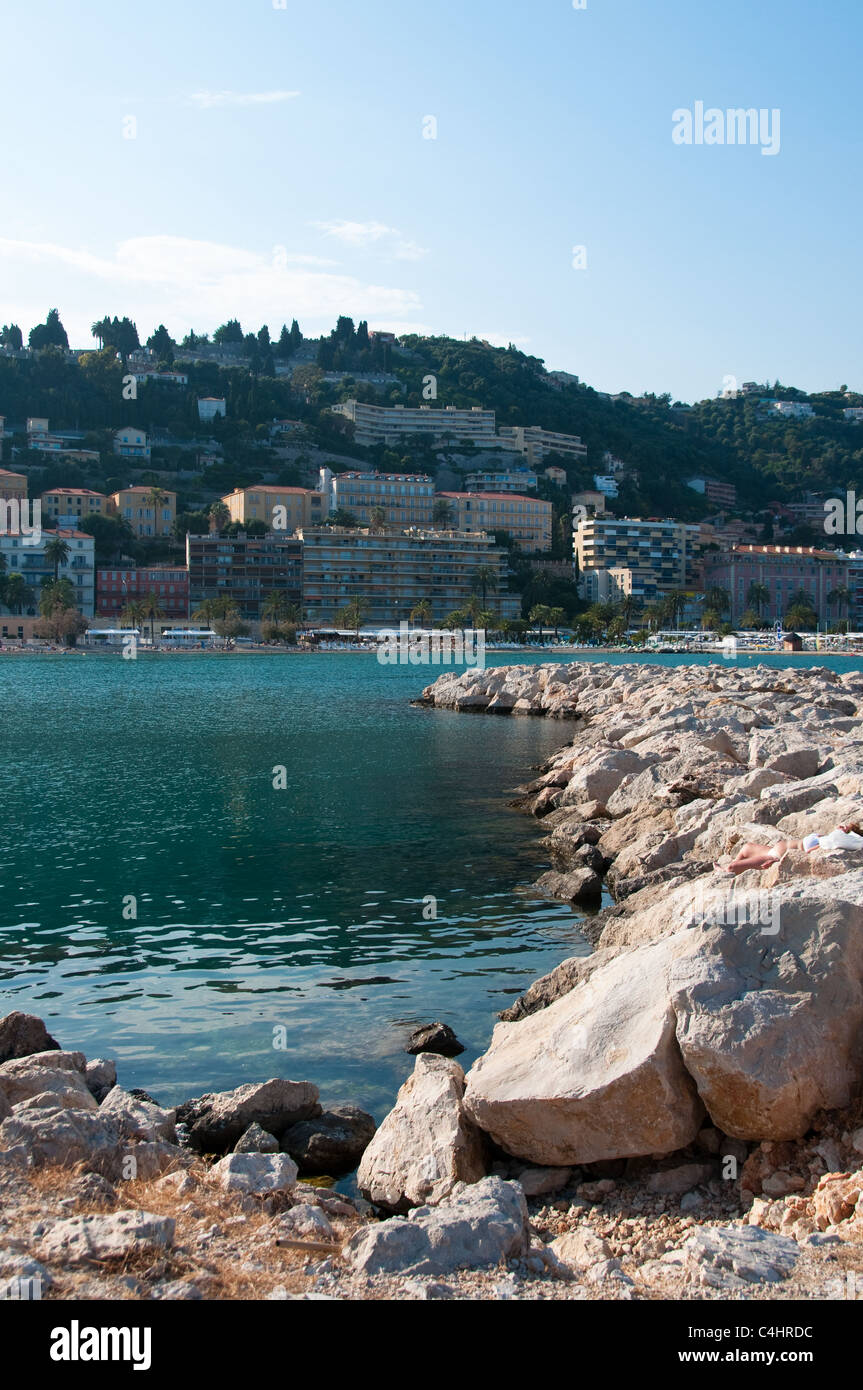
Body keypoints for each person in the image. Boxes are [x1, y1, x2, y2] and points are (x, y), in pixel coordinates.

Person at [724, 822, 863, 875]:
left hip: (777, 856)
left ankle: (726, 872)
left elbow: (810, 853)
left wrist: (779, 863)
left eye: (845, 827)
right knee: (747, 847)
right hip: (775, 848)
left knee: (732, 867)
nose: (840, 826)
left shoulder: (830, 843)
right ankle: (731, 872)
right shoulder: (826, 837)